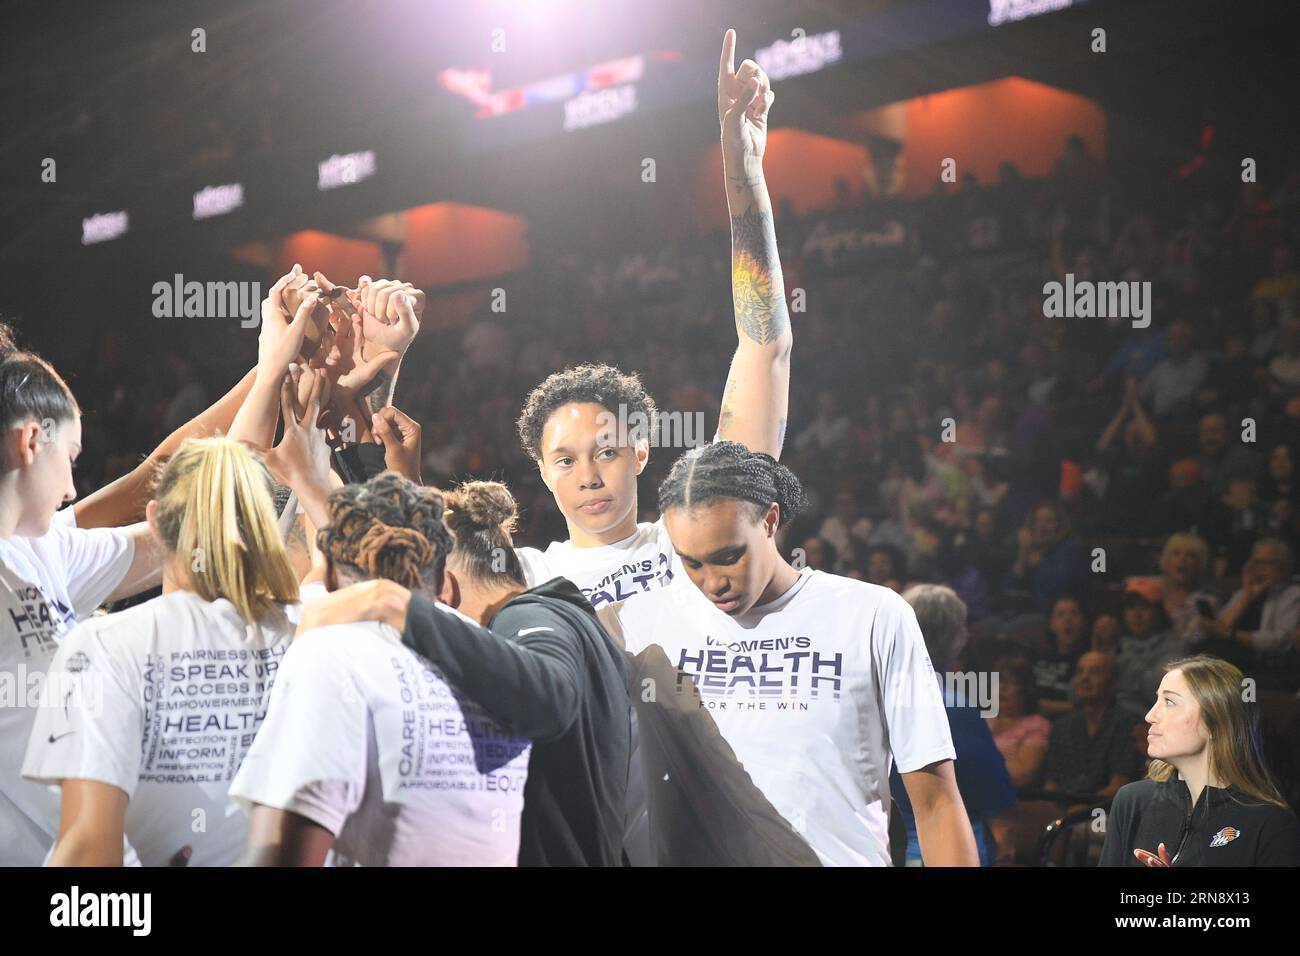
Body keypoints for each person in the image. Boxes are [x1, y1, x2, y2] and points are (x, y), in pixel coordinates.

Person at [511, 30, 792, 608]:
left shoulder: (694, 540)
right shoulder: (525, 577)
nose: (588, 475)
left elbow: (764, 348)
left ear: (640, 452)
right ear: (542, 471)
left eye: (607, 451)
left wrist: (744, 172)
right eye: (565, 460)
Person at [598, 441, 979, 866]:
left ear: (770, 520)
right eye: (692, 563)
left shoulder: (873, 615)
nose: (712, 582)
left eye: (728, 557)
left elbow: (936, 803)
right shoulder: (634, 623)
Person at [286, 479, 631, 867]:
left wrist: (395, 604)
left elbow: (550, 698)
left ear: (444, 590)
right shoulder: (564, 617)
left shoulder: (531, 616)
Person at [22, 437, 300, 865]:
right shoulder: (315, 636)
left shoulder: (103, 647)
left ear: (154, 520)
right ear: (265, 527)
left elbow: (88, 849)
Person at [232, 474, 532, 867]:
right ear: (445, 583)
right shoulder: (500, 665)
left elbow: (281, 858)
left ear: (328, 580)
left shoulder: (331, 655)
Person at [0, 329, 214, 865]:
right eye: (70, 457)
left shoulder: (45, 547)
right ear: (30, 442)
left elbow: (180, 507)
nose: (73, 485)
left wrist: (280, 379)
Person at [1100, 656, 1300, 866]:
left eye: (1169, 702)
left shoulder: (1270, 824)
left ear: (1215, 722)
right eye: (1156, 700)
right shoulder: (1131, 802)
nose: (1150, 715)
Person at [888, 585, 1017, 866]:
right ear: (955, 638)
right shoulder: (953, 706)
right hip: (943, 852)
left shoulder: (875, 694)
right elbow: (996, 799)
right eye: (962, 627)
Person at [1044, 651, 1144, 803]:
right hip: (1061, 812)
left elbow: (1119, 785)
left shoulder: (1126, 723)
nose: (1085, 678)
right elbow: (1051, 783)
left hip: (1105, 813)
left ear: (1113, 682)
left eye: (1095, 672)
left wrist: (1079, 812)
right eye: (1080, 672)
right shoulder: (1061, 726)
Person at [1114, 577, 1188, 718]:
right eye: (1131, 608)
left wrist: (1117, 669)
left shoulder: (1176, 647)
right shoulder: (1117, 644)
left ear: (1159, 613)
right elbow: (1078, 695)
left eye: (1144, 607)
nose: (1137, 615)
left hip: (1154, 724)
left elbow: (1157, 689)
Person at [990, 656, 1052, 790]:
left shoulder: (1037, 725)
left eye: (1011, 682)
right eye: (999, 681)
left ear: (1025, 689)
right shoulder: (982, 720)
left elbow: (1023, 777)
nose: (1002, 687)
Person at [1032, 594, 1089, 717]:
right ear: (1052, 624)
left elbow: (1089, 706)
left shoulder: (1088, 661)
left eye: (1074, 613)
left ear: (1083, 622)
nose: (1067, 619)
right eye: (1060, 614)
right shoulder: (1038, 657)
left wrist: (1048, 706)